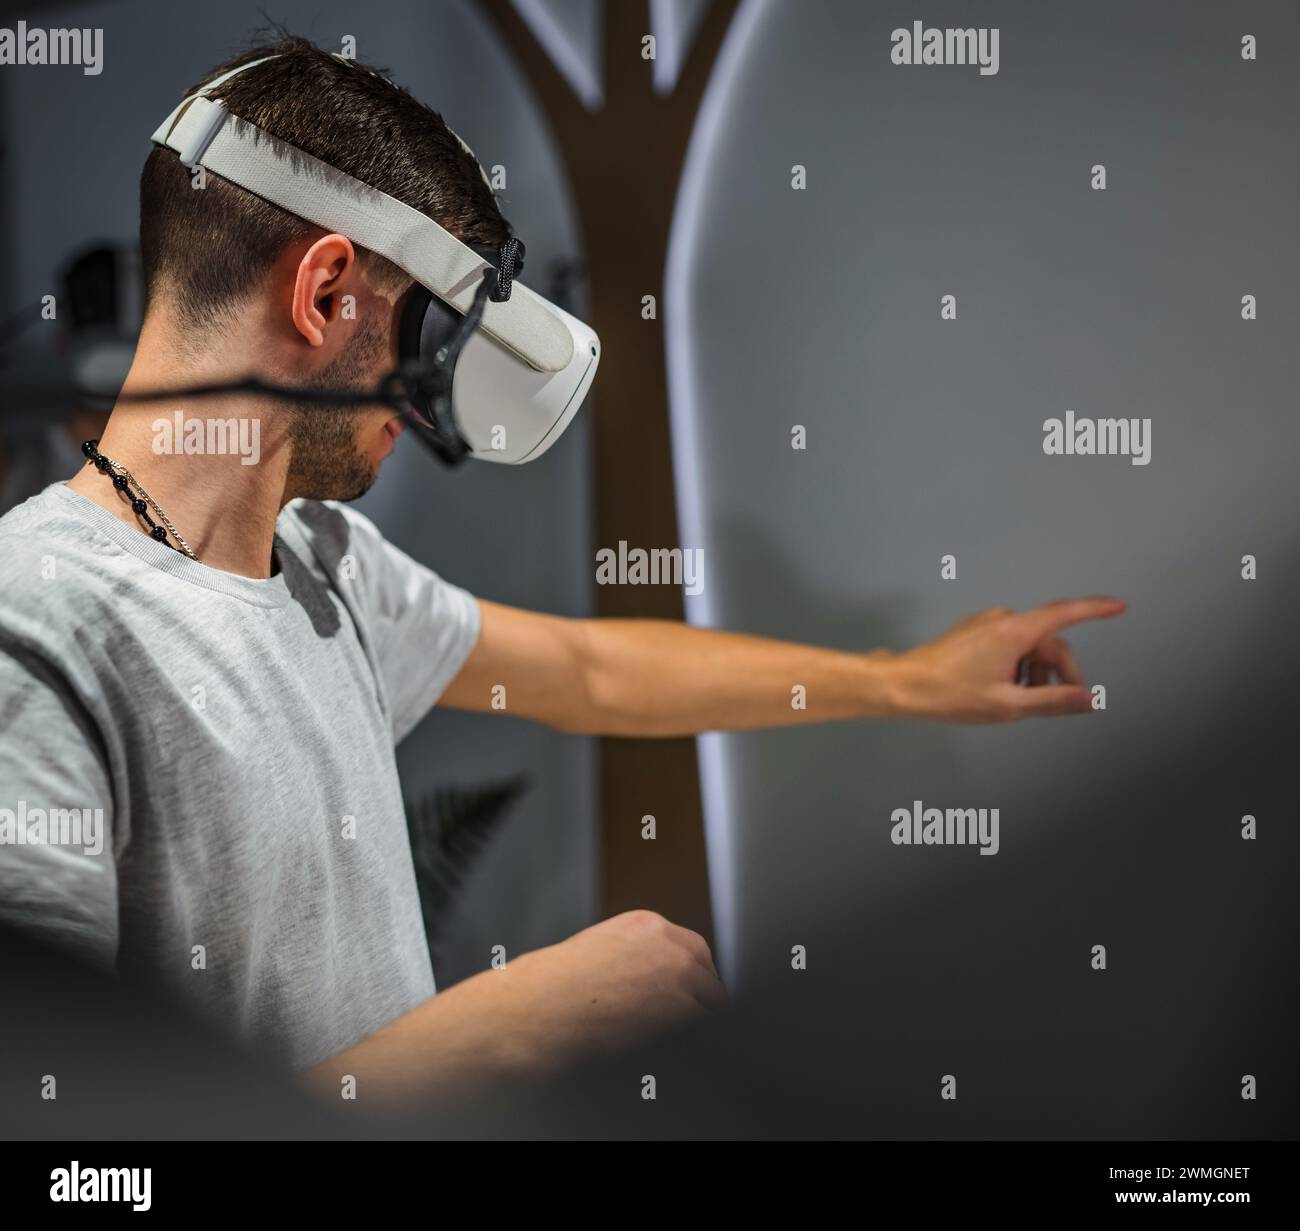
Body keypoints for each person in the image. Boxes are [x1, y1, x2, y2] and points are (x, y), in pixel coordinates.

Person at [0, 37, 1124, 1109]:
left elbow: (590, 670)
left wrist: (904, 680)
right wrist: (506, 1024)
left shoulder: (323, 565)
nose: (442, 397)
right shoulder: (37, 625)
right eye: (436, 333)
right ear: (326, 291)